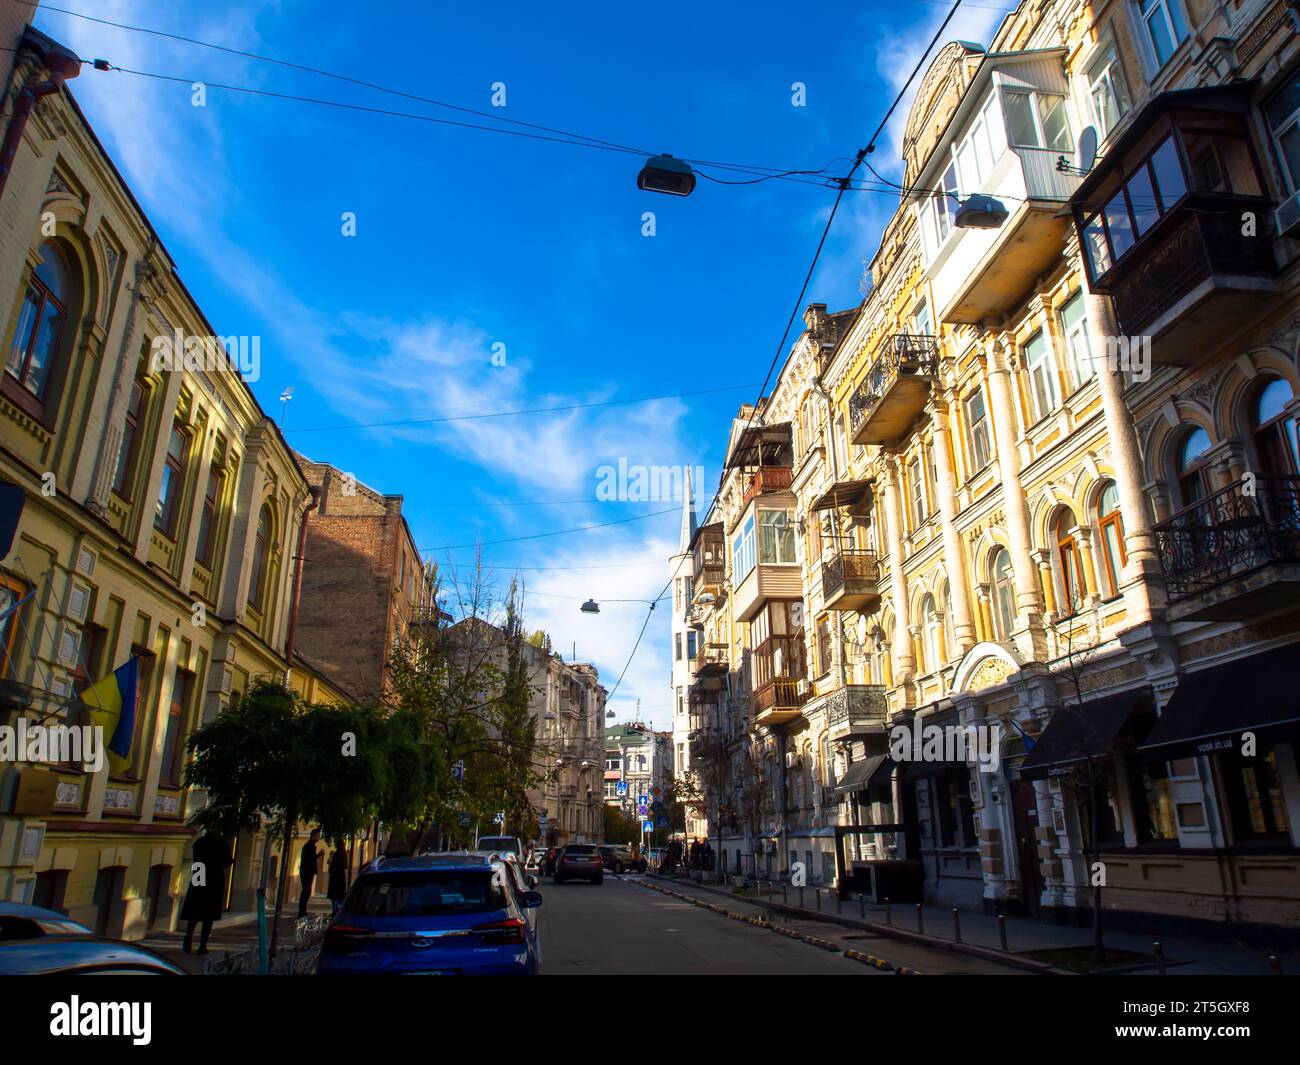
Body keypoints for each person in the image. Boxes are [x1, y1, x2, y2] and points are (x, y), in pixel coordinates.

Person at [180, 830, 231, 954]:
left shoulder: (199, 842)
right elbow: (227, 861)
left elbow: (196, 860)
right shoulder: (222, 843)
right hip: (214, 880)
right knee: (209, 915)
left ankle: (189, 935)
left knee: (195, 910)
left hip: (199, 875)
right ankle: (202, 945)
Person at [298, 828, 321, 918]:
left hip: (307, 871)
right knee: (306, 892)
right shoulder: (310, 846)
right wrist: (319, 855)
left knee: (306, 891)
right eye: (318, 836)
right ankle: (302, 912)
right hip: (307, 872)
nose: (319, 837)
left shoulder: (310, 845)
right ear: (314, 836)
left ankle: (303, 911)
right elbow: (310, 859)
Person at [327, 841, 349, 914]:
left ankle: (334, 910)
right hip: (341, 877)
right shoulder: (344, 854)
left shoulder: (336, 854)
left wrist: (330, 864)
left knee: (334, 896)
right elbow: (345, 866)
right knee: (339, 895)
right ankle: (338, 909)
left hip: (334, 877)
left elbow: (332, 867)